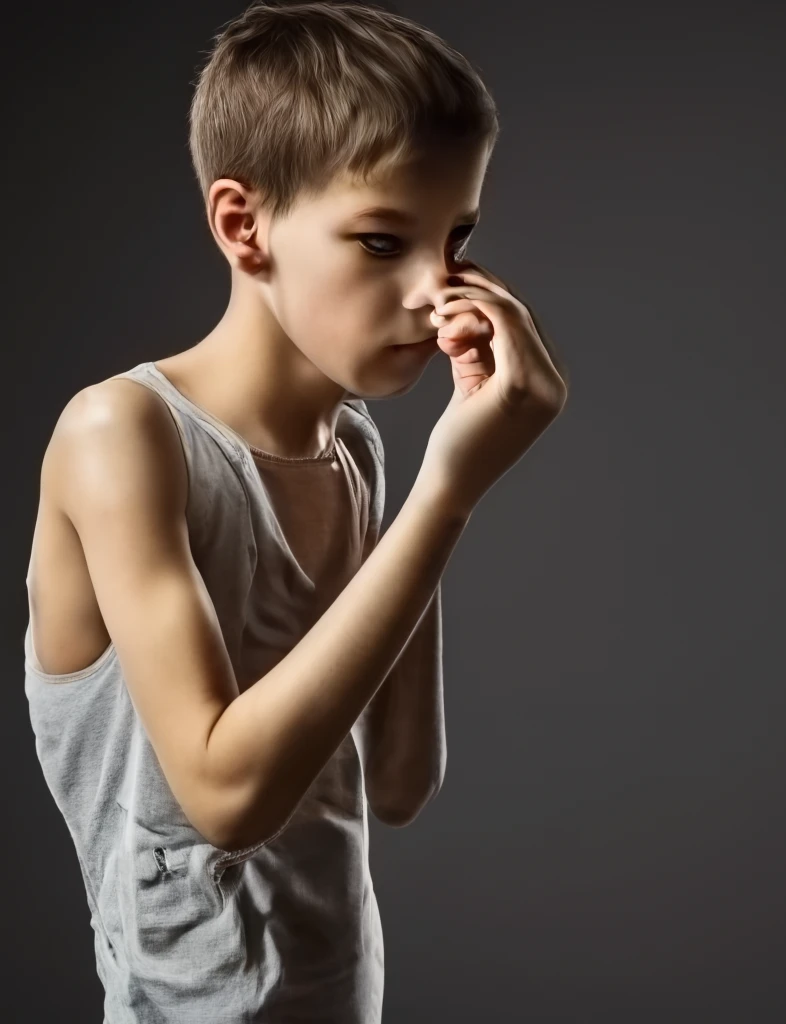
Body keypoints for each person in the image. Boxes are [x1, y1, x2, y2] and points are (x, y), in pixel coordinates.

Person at [22, 3, 568, 1021]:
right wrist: (447, 492)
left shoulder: (353, 446)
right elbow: (224, 798)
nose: (433, 290)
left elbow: (399, 781)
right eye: (381, 240)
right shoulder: (122, 435)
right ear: (244, 226)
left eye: (456, 238)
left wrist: (439, 488)